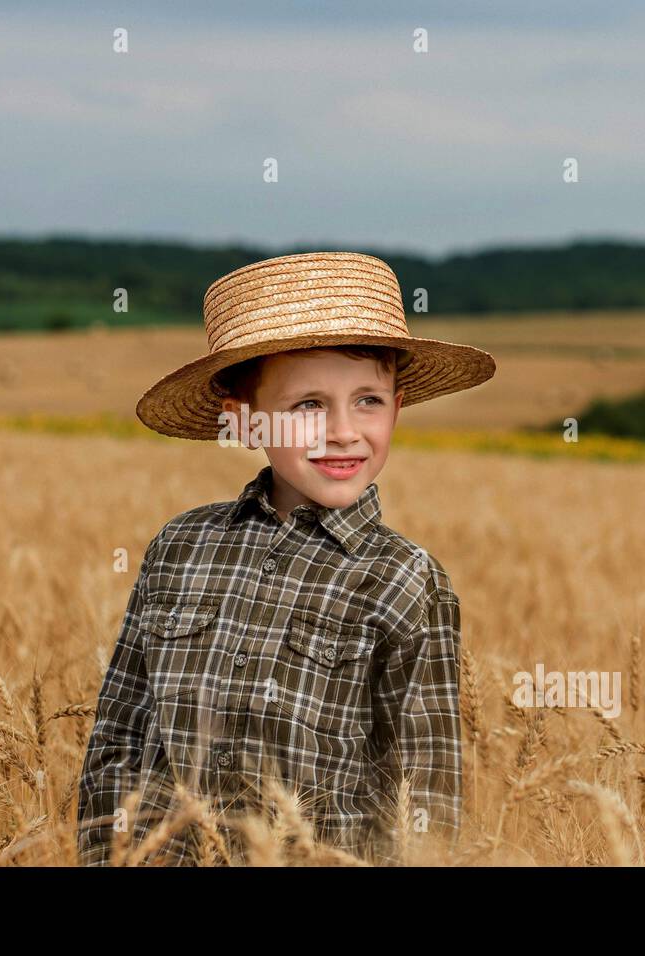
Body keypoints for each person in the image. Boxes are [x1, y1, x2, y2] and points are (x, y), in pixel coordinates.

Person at [77, 251, 496, 865]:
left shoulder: (405, 581)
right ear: (242, 422)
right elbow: (117, 739)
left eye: (368, 401)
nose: (344, 430)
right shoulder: (180, 547)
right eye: (308, 405)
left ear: (398, 408)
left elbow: (424, 794)